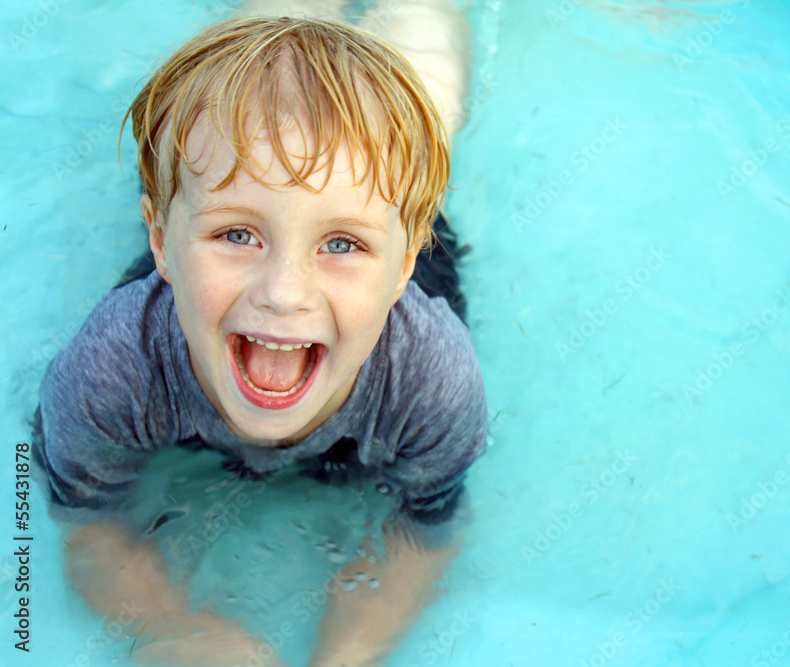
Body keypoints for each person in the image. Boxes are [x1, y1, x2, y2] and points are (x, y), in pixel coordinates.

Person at [30, 2, 485, 665]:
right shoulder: (114, 367)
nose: (283, 293)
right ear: (161, 240)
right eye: (236, 233)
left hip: (390, 237)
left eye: (340, 242)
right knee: (264, 53)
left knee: (422, 80)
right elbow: (89, 525)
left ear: (402, 263)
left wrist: (343, 656)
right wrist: (172, 626)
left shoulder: (432, 378)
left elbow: (423, 533)